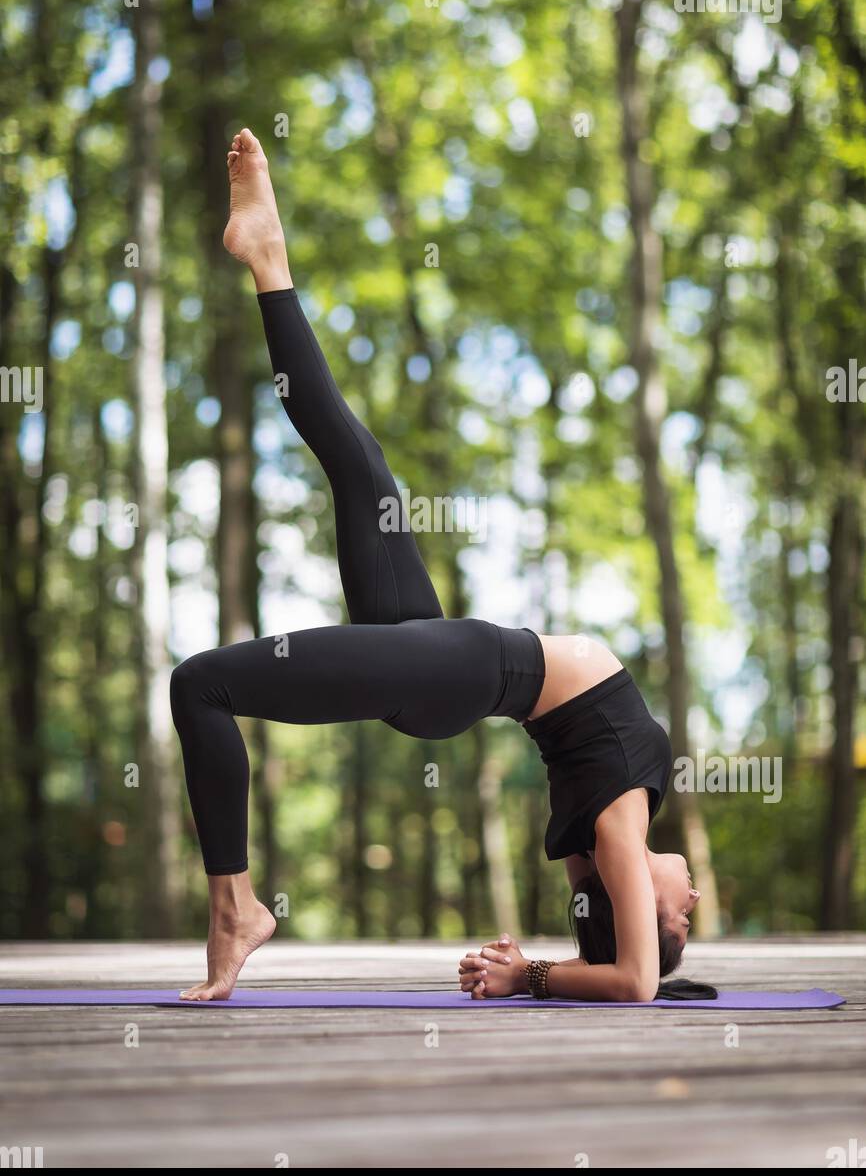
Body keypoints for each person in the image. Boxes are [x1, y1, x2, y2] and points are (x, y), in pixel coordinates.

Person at [169, 129, 700, 1002]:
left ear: (647, 903)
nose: (694, 897)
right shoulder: (597, 845)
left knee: (201, 684)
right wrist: (537, 960)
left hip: (459, 667)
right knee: (361, 464)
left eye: (687, 916)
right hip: (453, 659)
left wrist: (531, 970)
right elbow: (612, 946)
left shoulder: (617, 830)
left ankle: (235, 909)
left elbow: (638, 981)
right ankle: (268, 255)